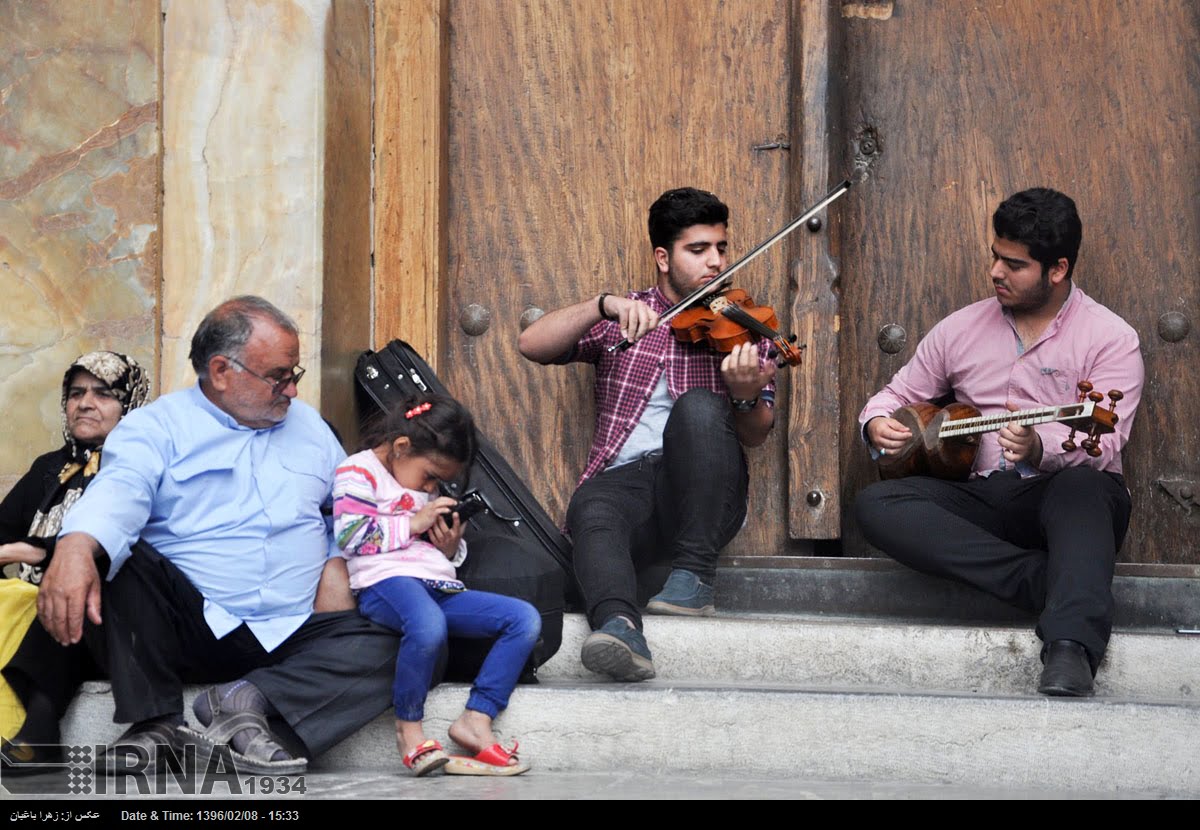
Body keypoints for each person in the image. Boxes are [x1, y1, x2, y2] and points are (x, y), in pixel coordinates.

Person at [29, 295, 400, 775]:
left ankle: (248, 705)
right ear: (222, 371)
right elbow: (122, 491)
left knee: (413, 633)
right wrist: (76, 545)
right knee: (122, 556)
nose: (291, 389)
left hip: (296, 628)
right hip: (192, 626)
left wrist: (335, 558)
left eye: (294, 375)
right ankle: (156, 723)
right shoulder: (156, 427)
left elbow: (349, 510)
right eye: (279, 377)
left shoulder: (310, 428)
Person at [854, 187, 1143, 697]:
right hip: (982, 495)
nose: (995, 272)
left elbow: (1108, 440)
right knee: (879, 504)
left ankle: (1071, 648)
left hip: (1062, 497)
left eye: (1014, 264)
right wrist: (878, 424)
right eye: (995, 257)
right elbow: (896, 394)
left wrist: (1039, 447)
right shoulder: (960, 328)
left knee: (1085, 489)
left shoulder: (1110, 338)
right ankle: (1048, 582)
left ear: (1057, 269)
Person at [518, 187, 776, 681]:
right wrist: (601, 305)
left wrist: (742, 395)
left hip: (701, 494)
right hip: (627, 484)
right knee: (592, 503)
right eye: (697, 250)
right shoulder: (628, 315)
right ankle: (619, 628)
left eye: (720, 248)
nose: (714, 262)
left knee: (699, 407)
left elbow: (756, 433)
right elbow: (532, 344)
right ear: (663, 257)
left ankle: (694, 579)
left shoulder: (744, 326)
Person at [333, 393, 540, 776]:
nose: (431, 485)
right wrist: (412, 523)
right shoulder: (358, 471)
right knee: (428, 625)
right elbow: (349, 536)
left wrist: (449, 549)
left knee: (523, 619)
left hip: (436, 584)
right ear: (401, 446)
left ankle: (476, 719)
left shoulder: (427, 488)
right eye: (430, 475)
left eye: (439, 481)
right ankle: (408, 729)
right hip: (385, 582)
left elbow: (427, 550)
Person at [1, 352, 149, 758]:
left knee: (74, 592)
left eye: (104, 394)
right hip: (32, 601)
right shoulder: (50, 468)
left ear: (130, 403)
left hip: (111, 612)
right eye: (76, 393)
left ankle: (39, 731)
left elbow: (136, 547)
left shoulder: (142, 468)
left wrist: (36, 551)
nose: (85, 403)